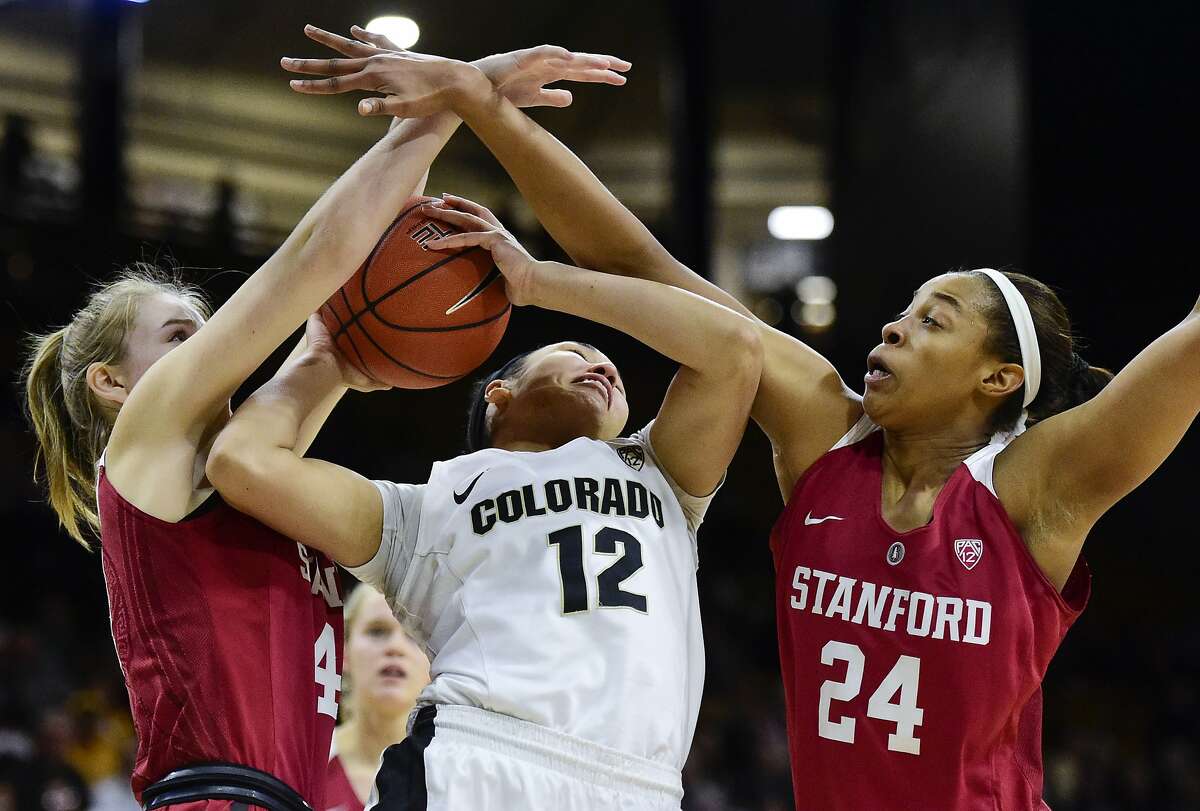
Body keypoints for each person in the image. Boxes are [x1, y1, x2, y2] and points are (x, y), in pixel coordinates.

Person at [285, 47, 1200, 809]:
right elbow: (635, 260)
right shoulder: (822, 432)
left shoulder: (1038, 489)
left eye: (932, 323)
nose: (891, 327)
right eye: (904, 310)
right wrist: (484, 108)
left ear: (998, 379)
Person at [20, 26, 630, 810]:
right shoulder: (146, 447)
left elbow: (335, 343)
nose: (211, 350)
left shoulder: (244, 465)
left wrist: (454, 115)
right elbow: (316, 255)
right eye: (179, 337)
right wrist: (458, 95)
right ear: (111, 382)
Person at [204, 197, 763, 807]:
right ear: (501, 391)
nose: (603, 364)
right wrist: (327, 359)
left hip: (638, 787)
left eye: (611, 367)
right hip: (475, 761)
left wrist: (542, 281)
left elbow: (733, 346)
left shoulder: (664, 471)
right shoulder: (426, 508)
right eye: (576, 352)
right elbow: (242, 463)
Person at [325, 586, 431, 811]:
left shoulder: (450, 771)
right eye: (377, 631)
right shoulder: (311, 760)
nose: (395, 647)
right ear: (343, 650)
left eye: (413, 636)